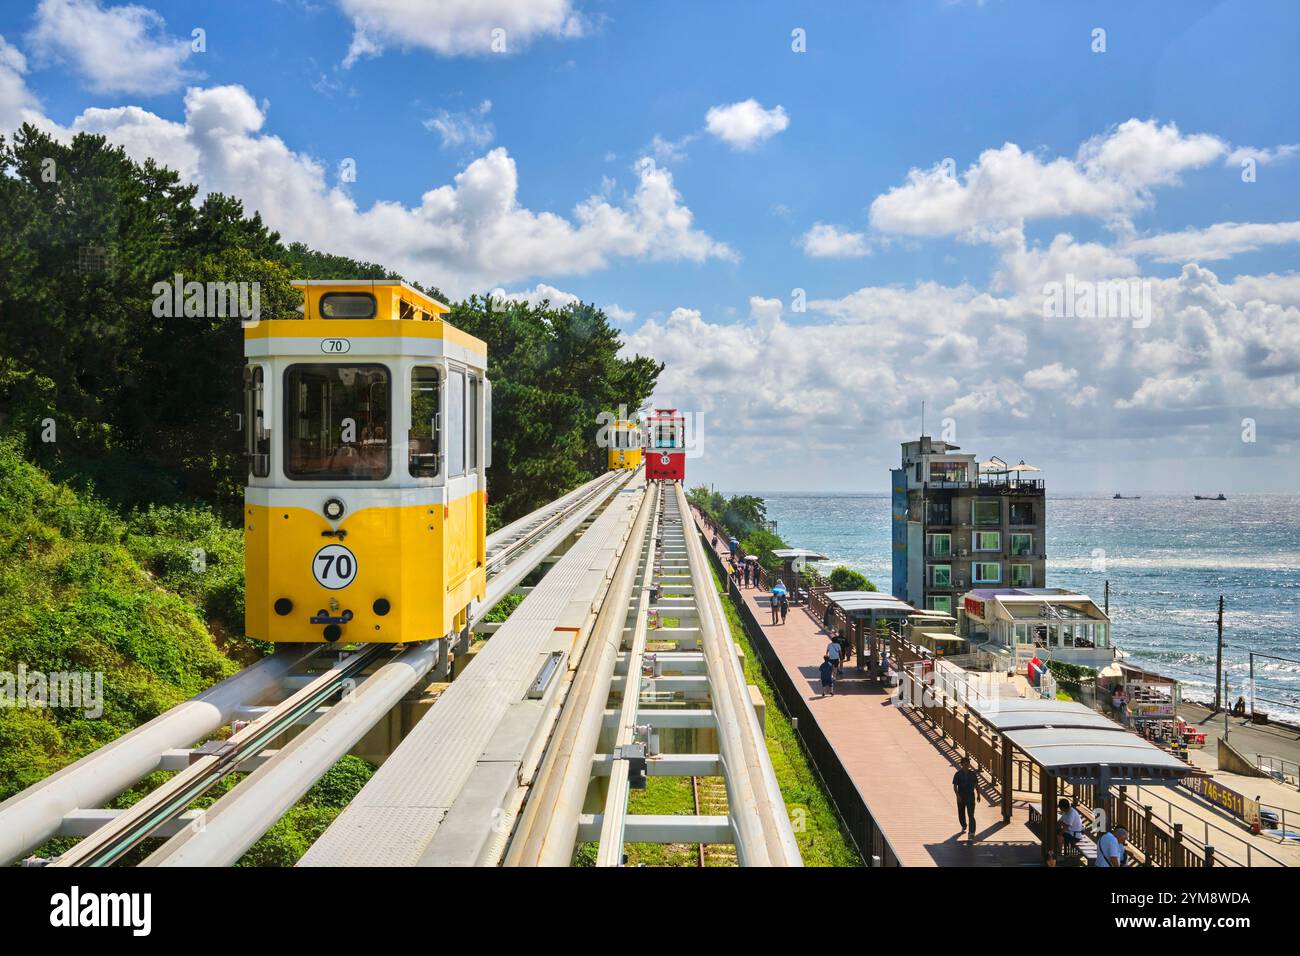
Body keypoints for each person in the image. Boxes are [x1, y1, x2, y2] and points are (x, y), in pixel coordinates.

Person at [952, 757, 979, 838]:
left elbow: (976, 785)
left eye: (967, 764)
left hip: (970, 796)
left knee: (971, 814)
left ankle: (971, 832)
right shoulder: (958, 774)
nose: (966, 765)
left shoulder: (973, 774)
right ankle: (963, 824)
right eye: (964, 764)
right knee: (961, 813)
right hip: (961, 796)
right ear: (962, 764)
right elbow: (955, 786)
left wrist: (978, 794)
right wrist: (958, 796)